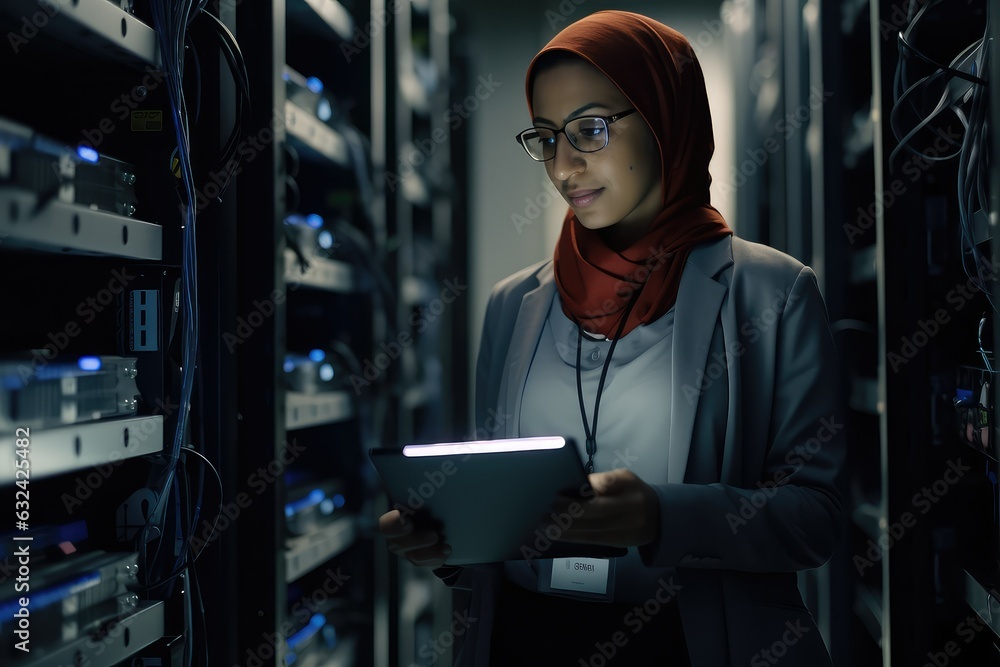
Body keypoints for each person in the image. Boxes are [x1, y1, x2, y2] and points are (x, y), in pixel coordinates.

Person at [379, 10, 845, 666]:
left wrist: (662, 516)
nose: (565, 166)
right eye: (545, 137)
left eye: (590, 130)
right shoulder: (514, 304)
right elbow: (502, 522)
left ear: (664, 118)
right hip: (527, 640)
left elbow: (816, 519)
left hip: (686, 642)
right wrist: (452, 543)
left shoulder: (771, 292)